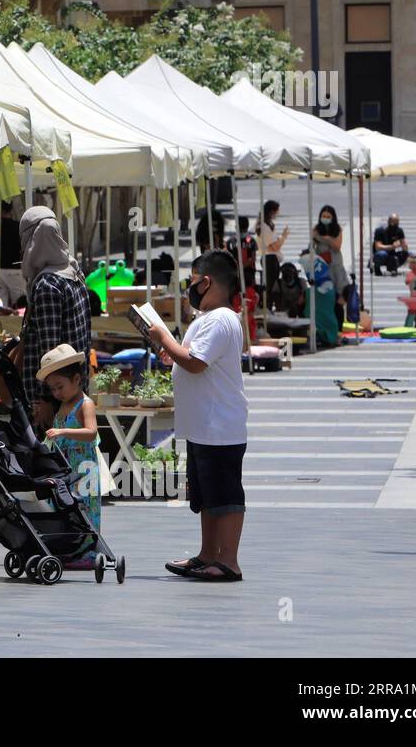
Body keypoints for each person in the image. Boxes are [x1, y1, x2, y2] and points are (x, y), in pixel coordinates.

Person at [148, 249, 249, 582]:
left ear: (206, 282)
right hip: (204, 426)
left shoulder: (221, 318)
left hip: (219, 425)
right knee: (205, 494)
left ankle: (229, 561)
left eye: (192, 282)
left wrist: (164, 337)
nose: (188, 289)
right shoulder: (208, 318)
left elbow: (195, 362)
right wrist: (170, 352)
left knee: (225, 494)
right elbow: (188, 357)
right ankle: (208, 554)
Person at [17, 206, 92, 432]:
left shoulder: (48, 284)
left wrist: (46, 400)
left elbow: (50, 350)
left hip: (54, 397)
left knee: (52, 461)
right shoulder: (74, 272)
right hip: (73, 387)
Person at [37, 344, 100, 567]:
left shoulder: (85, 404)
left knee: (86, 507)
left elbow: (91, 433)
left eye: (60, 387)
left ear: (76, 380)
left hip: (83, 465)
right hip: (66, 466)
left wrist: (63, 431)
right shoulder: (63, 406)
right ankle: (71, 547)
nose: (56, 393)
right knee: (67, 506)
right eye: (52, 389)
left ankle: (90, 551)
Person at [311, 204, 349, 331]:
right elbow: (312, 243)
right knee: (325, 298)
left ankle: (338, 328)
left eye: (328, 216)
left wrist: (326, 239)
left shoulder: (337, 229)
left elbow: (337, 246)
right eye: (323, 216)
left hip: (335, 267)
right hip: (322, 268)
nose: (325, 218)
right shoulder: (316, 228)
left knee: (338, 298)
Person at [256, 200, 289, 294]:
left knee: (272, 286)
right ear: (271, 212)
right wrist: (284, 237)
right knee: (270, 287)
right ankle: (266, 304)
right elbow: (274, 247)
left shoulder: (269, 225)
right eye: (276, 212)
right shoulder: (264, 227)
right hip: (269, 259)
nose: (277, 214)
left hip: (273, 259)